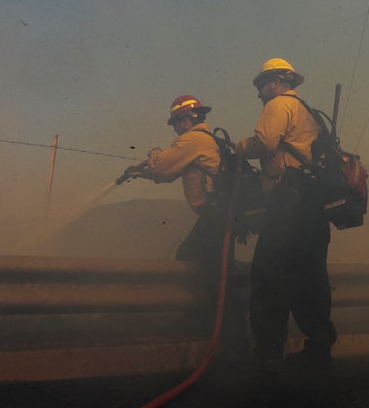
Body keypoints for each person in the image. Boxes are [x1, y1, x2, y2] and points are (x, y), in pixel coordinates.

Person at [118, 94, 248, 351]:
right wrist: (139, 173)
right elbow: (166, 175)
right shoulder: (206, 140)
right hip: (223, 215)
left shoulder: (193, 139)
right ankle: (218, 331)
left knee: (206, 270)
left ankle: (230, 341)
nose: (175, 129)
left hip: (216, 217)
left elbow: (162, 168)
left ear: (187, 120)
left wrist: (154, 154)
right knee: (211, 271)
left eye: (176, 123)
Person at [232, 58, 337, 368]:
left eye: (261, 86)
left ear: (276, 83)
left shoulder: (279, 105)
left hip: (289, 198)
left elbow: (265, 142)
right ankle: (319, 346)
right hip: (311, 201)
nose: (260, 93)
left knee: (268, 271)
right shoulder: (306, 111)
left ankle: (268, 348)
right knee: (309, 275)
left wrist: (239, 148)